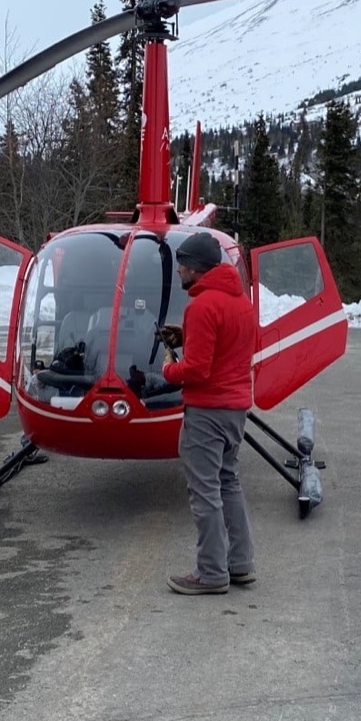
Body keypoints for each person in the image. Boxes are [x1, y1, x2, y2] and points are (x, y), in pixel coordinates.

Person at [159, 231, 257, 595]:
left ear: (195, 268)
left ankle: (211, 573)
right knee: (228, 482)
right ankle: (240, 564)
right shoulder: (238, 301)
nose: (179, 269)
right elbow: (227, 344)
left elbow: (197, 370)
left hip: (207, 412)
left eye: (182, 264)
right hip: (235, 410)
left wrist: (169, 369)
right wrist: (187, 336)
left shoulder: (201, 306)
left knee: (204, 491)